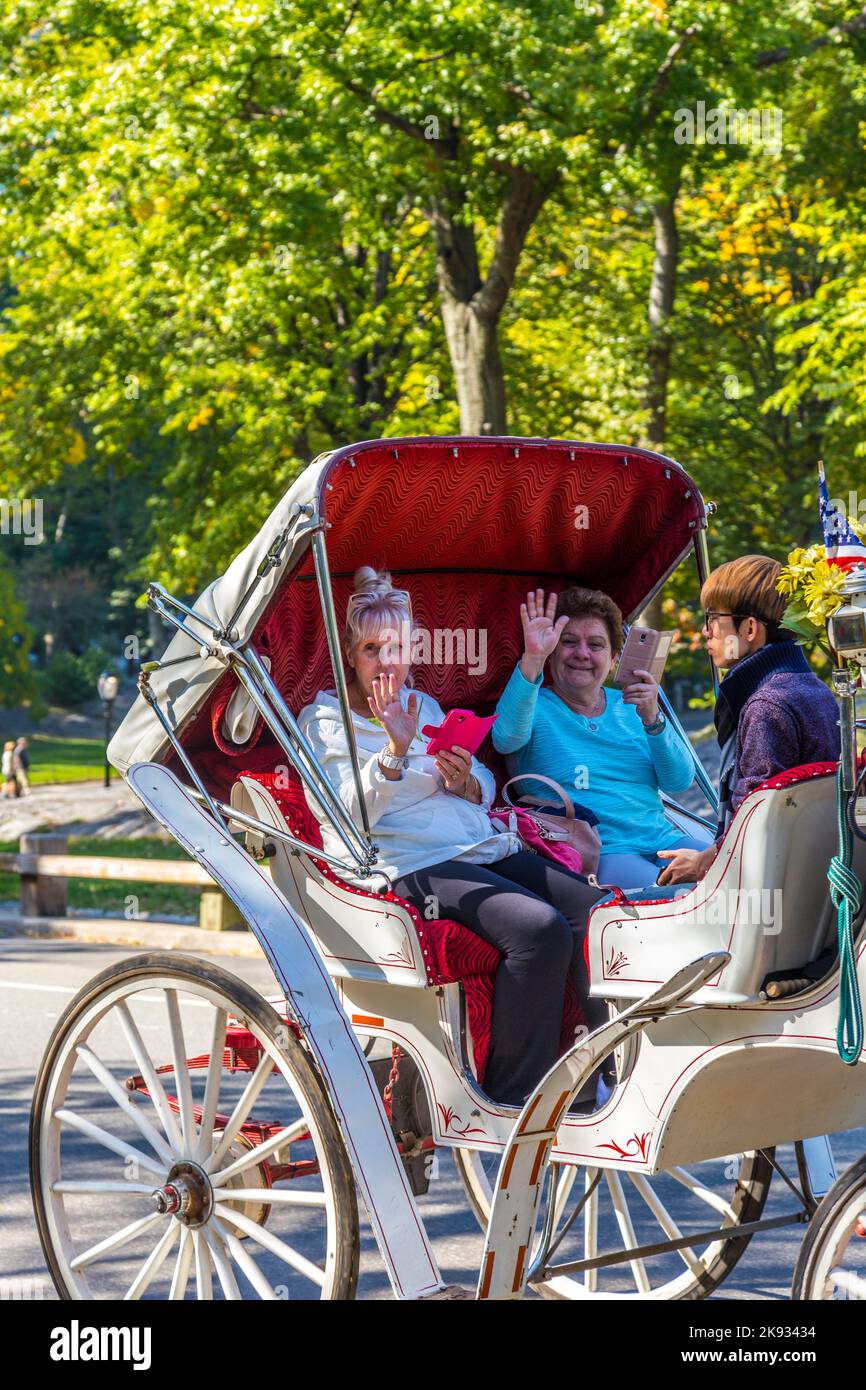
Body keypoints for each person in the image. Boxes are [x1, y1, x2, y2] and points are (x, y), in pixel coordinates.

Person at [298, 566, 605, 1107]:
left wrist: (465, 780)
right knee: (539, 929)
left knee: (597, 911)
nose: (386, 661)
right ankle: (515, 1097)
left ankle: (606, 1062)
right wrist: (394, 754)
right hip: (404, 865)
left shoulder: (429, 708)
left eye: (396, 647)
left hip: (479, 845)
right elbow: (348, 812)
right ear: (351, 654)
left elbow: (485, 788)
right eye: (372, 648)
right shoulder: (324, 721)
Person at [492, 587, 710, 888]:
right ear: (552, 651)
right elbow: (504, 739)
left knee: (745, 876)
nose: (582, 653)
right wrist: (533, 658)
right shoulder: (533, 703)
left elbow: (679, 782)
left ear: (614, 659)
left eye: (596, 645)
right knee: (681, 903)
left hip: (664, 839)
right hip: (599, 851)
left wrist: (652, 717)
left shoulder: (633, 704)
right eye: (568, 642)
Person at [657, 555, 841, 886]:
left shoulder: (766, 706)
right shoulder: (816, 690)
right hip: (812, 886)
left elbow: (756, 826)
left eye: (713, 619)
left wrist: (701, 863)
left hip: (765, 898)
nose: (705, 631)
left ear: (750, 628)